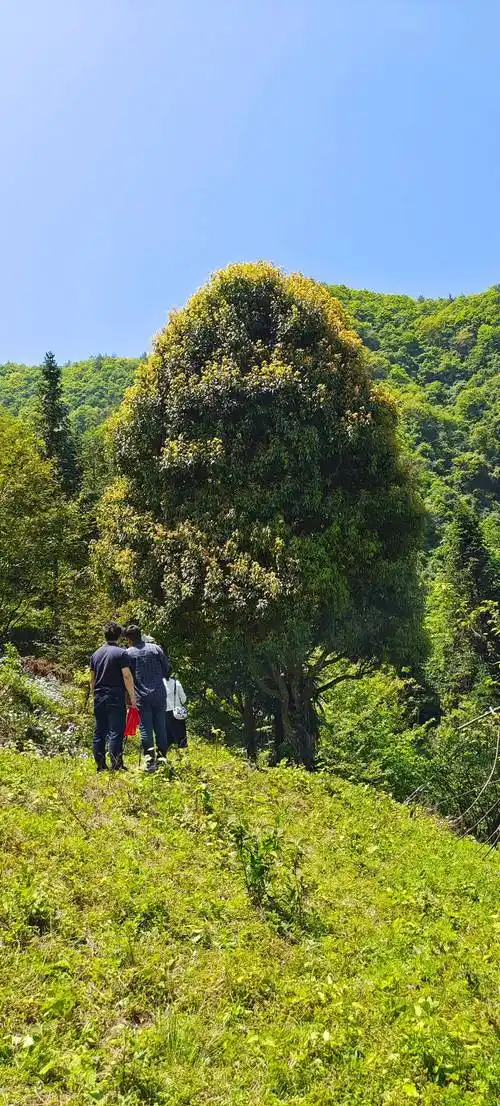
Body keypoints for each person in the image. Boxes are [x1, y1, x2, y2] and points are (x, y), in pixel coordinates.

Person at [124, 622, 172, 771]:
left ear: (129, 639)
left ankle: (150, 761)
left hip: (141, 697)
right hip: (159, 694)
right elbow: (168, 669)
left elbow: (127, 676)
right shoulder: (156, 648)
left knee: (145, 729)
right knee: (161, 728)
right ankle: (163, 758)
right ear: (141, 635)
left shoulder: (128, 653)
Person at [90, 621, 136, 772]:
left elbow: (92, 678)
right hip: (115, 695)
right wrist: (132, 697)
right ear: (119, 636)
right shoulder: (122, 653)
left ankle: (101, 765)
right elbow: (127, 676)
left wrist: (93, 695)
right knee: (116, 731)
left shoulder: (95, 654)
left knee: (99, 731)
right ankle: (116, 765)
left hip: (98, 695)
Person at [164, 673, 188, 748]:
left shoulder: (159, 684)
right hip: (178, 712)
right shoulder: (176, 683)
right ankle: (182, 750)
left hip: (165, 712)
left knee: (167, 735)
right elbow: (183, 699)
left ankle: (166, 752)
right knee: (181, 734)